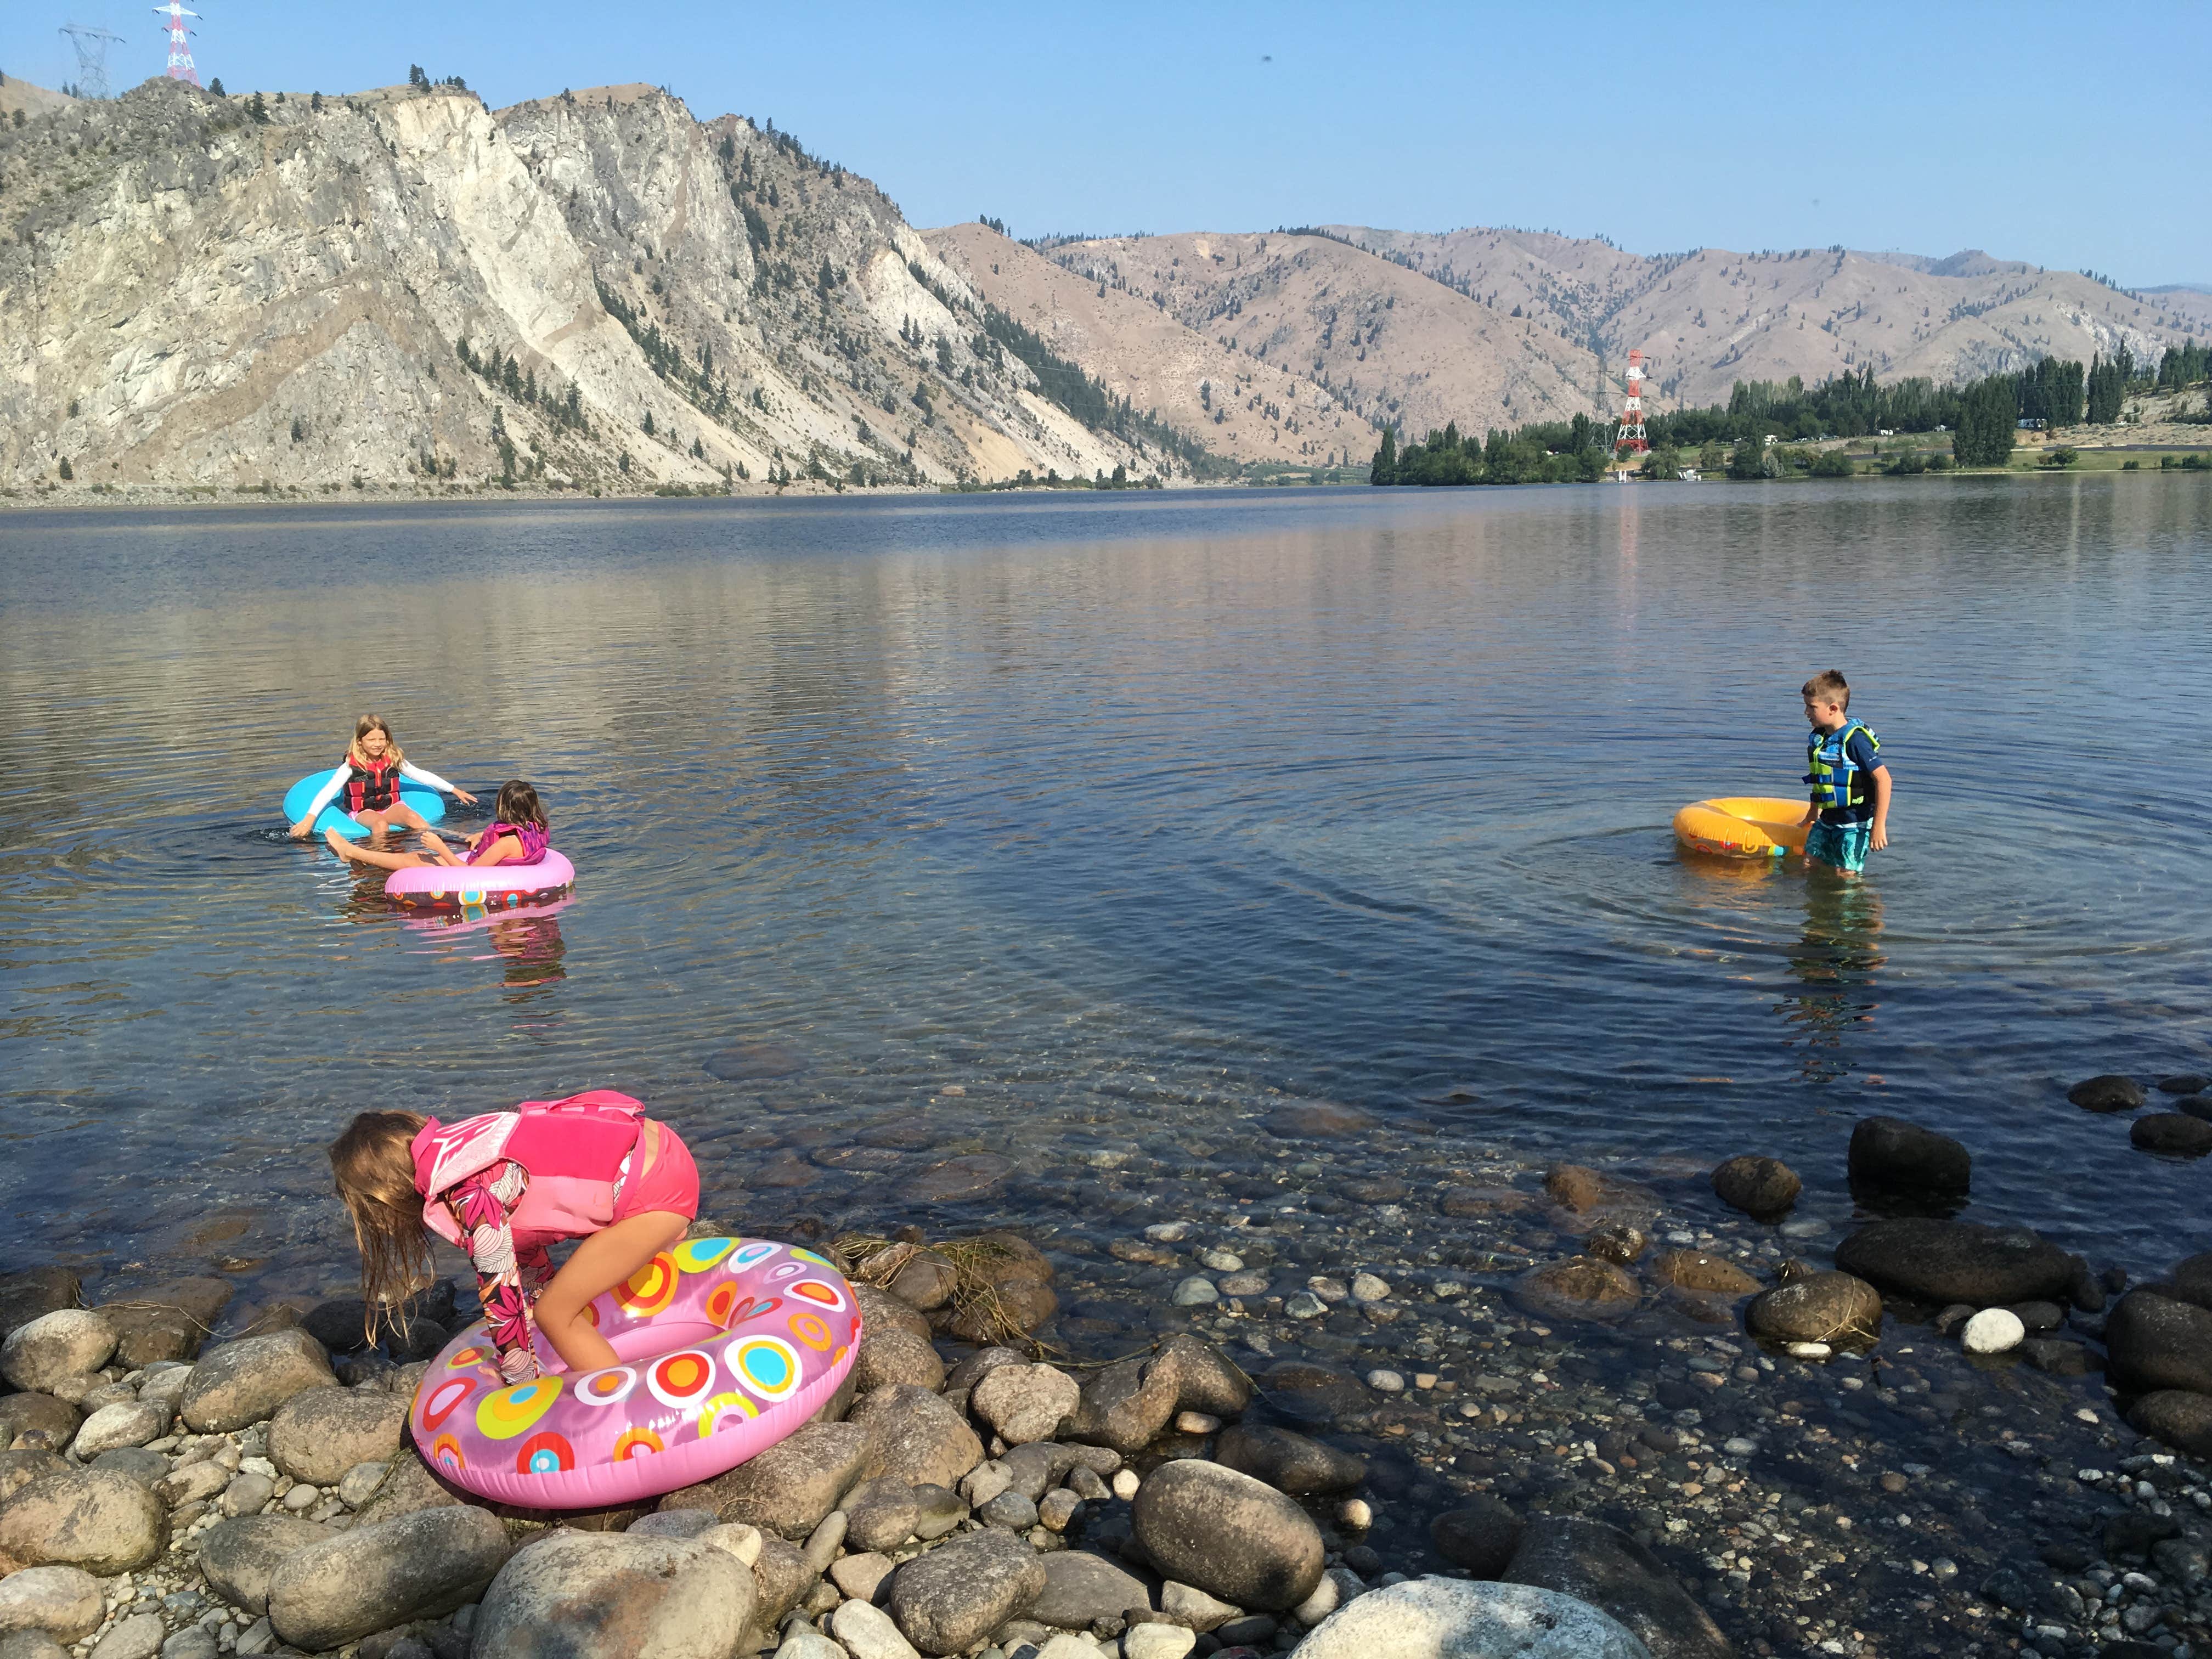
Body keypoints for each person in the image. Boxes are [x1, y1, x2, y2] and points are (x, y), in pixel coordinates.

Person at [329, 1091, 700, 1380]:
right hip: (658, 1150)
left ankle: (623, 1406)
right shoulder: (466, 1148)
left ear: (387, 1200)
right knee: (556, 1300)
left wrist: (521, 1383)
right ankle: (662, 1239)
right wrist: (541, 1298)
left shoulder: (469, 1196)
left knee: (556, 1315)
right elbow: (526, 1247)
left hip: (654, 1190)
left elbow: (501, 1297)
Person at [290, 715, 476, 839]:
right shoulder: (350, 766)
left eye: (382, 739)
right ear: (360, 741)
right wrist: (308, 820)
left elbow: (421, 776)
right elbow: (327, 792)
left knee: (413, 817)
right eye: (371, 740)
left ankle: (450, 842)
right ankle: (379, 865)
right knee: (380, 824)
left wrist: (455, 790)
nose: (377, 744)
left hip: (392, 806)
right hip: (363, 812)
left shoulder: (393, 759)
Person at [325, 779, 549, 874]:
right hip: (491, 863)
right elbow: (508, 841)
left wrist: (440, 847)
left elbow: (470, 875)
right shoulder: (536, 826)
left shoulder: (507, 844)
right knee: (419, 857)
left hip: (475, 875)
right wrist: (482, 835)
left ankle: (352, 852)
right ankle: (364, 861)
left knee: (414, 860)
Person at [1798, 670, 1891, 876]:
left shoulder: (1855, 741)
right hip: (1827, 819)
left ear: (1833, 709)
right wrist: (1813, 812)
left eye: (1811, 707)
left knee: (1844, 874)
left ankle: (1869, 906)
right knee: (1809, 864)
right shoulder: (1819, 739)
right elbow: (1820, 779)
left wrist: (1878, 826)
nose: (1806, 712)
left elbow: (1884, 779)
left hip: (1854, 821)